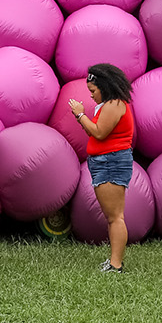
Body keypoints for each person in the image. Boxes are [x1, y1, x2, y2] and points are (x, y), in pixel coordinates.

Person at [67, 63, 136, 274]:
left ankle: (116, 265)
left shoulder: (114, 104)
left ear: (104, 87)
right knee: (112, 217)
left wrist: (80, 115)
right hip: (105, 161)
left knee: (115, 217)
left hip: (111, 162)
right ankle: (114, 262)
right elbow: (95, 132)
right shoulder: (108, 105)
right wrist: (81, 117)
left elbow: (98, 132)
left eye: (93, 91)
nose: (91, 95)